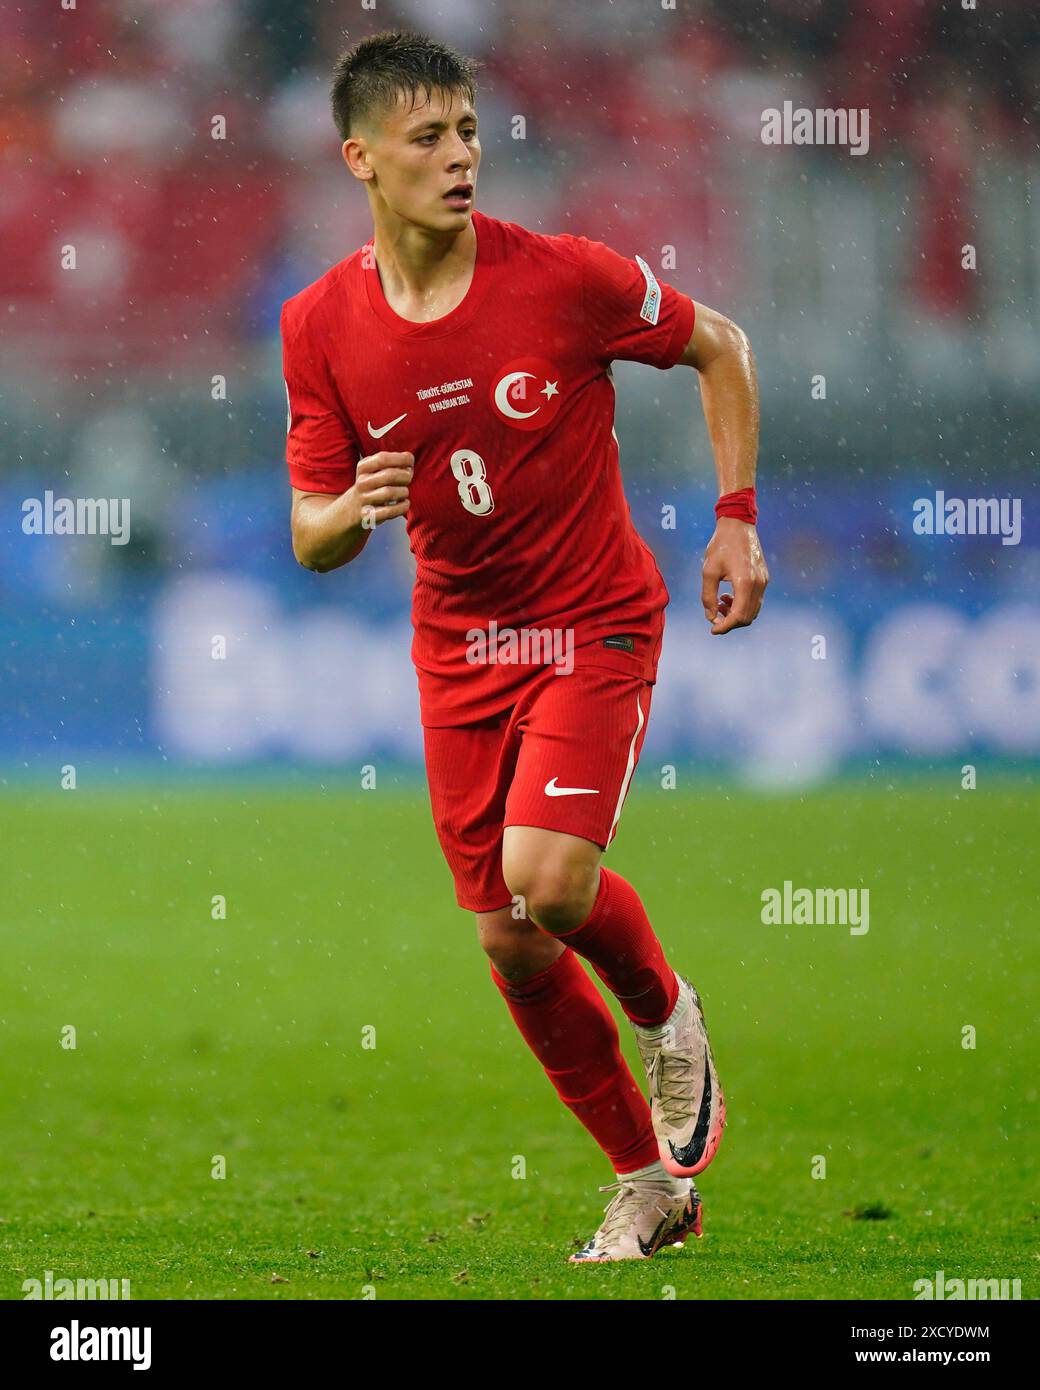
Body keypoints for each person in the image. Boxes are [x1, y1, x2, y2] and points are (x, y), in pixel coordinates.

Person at [282, 29, 768, 1262]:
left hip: (590, 620)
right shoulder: (317, 324)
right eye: (427, 138)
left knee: (547, 883)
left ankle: (668, 1018)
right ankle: (645, 1186)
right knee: (505, 935)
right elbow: (310, 537)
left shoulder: (564, 277)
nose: (459, 158)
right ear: (360, 158)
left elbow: (721, 345)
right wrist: (353, 508)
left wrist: (734, 522)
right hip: (456, 648)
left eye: (467, 132)